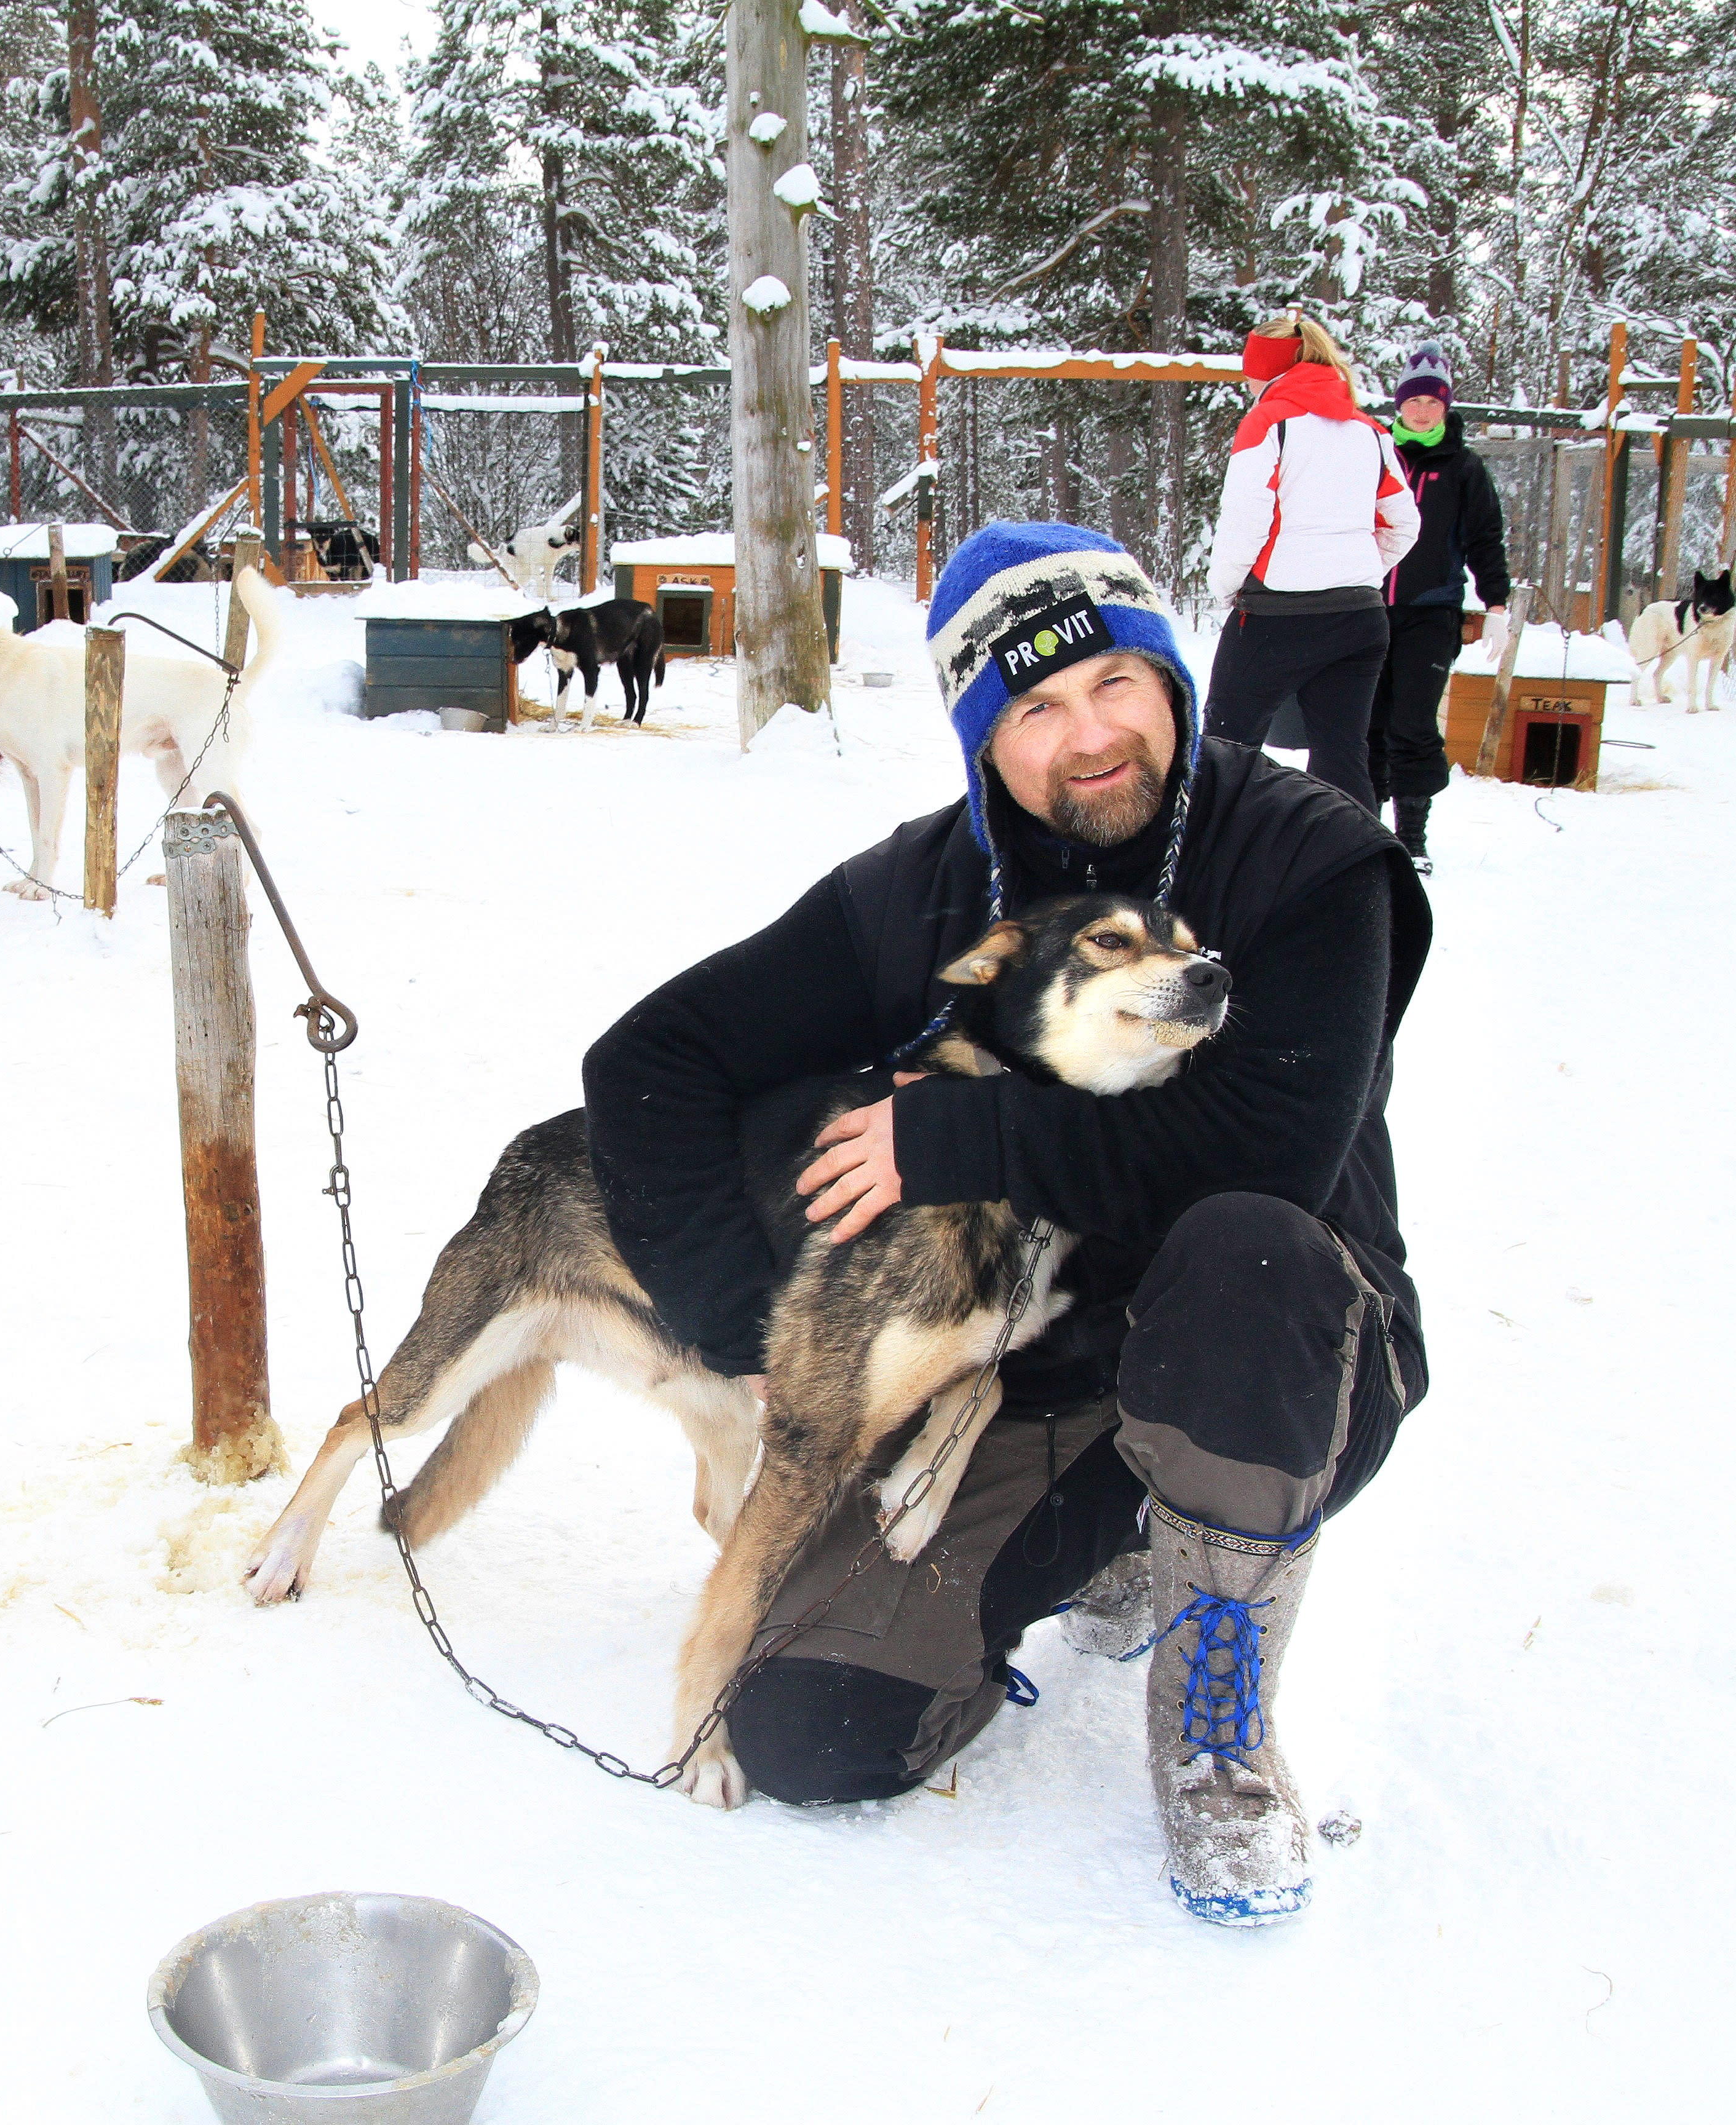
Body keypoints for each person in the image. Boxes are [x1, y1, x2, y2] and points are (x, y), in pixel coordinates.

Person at [582, 523, 1429, 1925]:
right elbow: (651, 1064)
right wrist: (752, 1336)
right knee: (808, 1732)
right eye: (1033, 705)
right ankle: (1109, 1544)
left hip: (1286, 1362)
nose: (1087, 733)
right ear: (983, 738)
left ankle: (1218, 1719)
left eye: (1113, 680)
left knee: (1243, 1241)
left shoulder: (1306, 857)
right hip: (1029, 1393)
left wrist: (963, 1130)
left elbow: (1269, 1146)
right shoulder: (923, 889)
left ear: (1171, 677)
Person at [1200, 312, 1419, 800]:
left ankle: (1208, 869)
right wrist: (1356, 572)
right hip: (1360, 617)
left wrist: (1228, 586)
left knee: (1224, 751)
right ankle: (1359, 871)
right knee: (1343, 755)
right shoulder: (1371, 432)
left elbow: (1243, 521)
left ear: (1266, 370)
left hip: (1276, 616)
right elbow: (1403, 523)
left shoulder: (1268, 423)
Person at [1373, 345, 1511, 870]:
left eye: (1434, 402)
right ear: (1401, 404)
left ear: (1446, 407)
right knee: (1366, 723)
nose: (1423, 411)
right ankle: (1364, 830)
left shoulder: (1464, 468)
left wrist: (1496, 601)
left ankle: (1411, 837)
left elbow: (1484, 537)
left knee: (1411, 721)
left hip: (1431, 612)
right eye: (1415, 401)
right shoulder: (1377, 454)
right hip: (1367, 606)